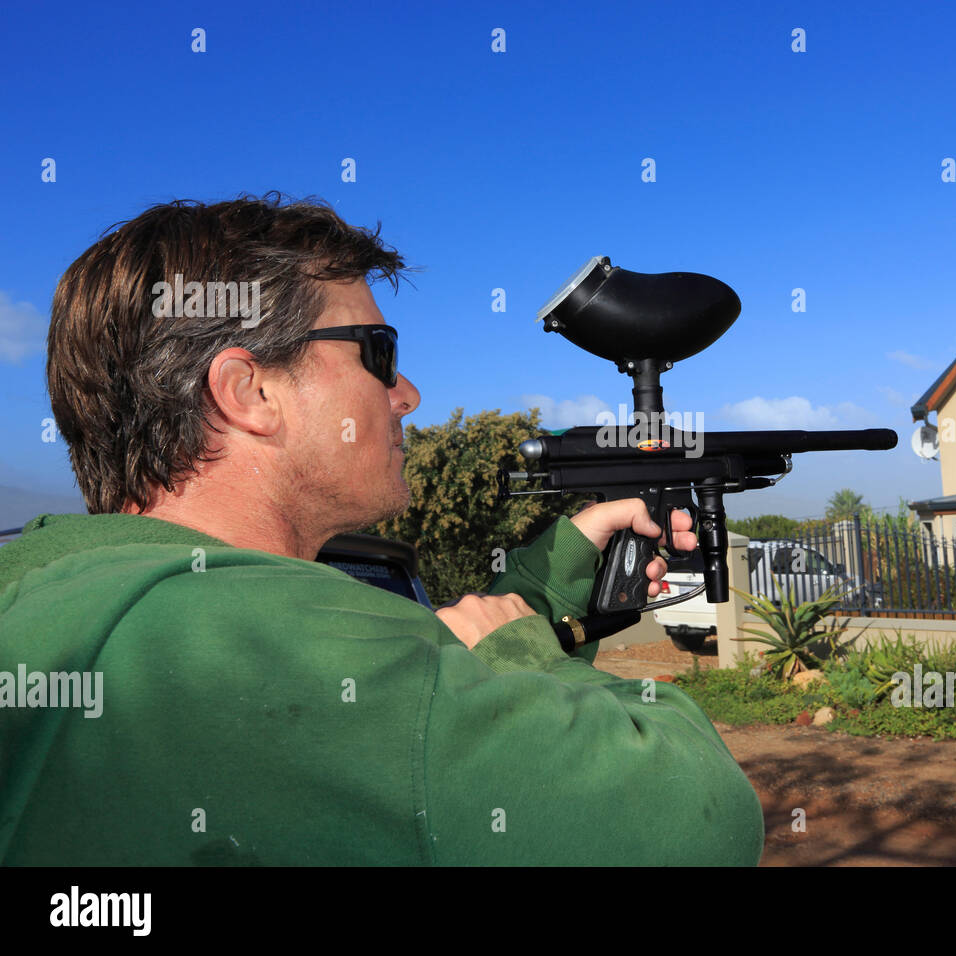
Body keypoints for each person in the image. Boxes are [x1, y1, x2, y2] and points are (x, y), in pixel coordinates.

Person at [0, 194, 764, 865]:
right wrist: (519, 649)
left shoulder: (46, 590)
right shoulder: (279, 643)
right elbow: (693, 820)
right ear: (248, 390)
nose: (407, 394)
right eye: (379, 353)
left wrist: (550, 580)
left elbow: (415, 713)